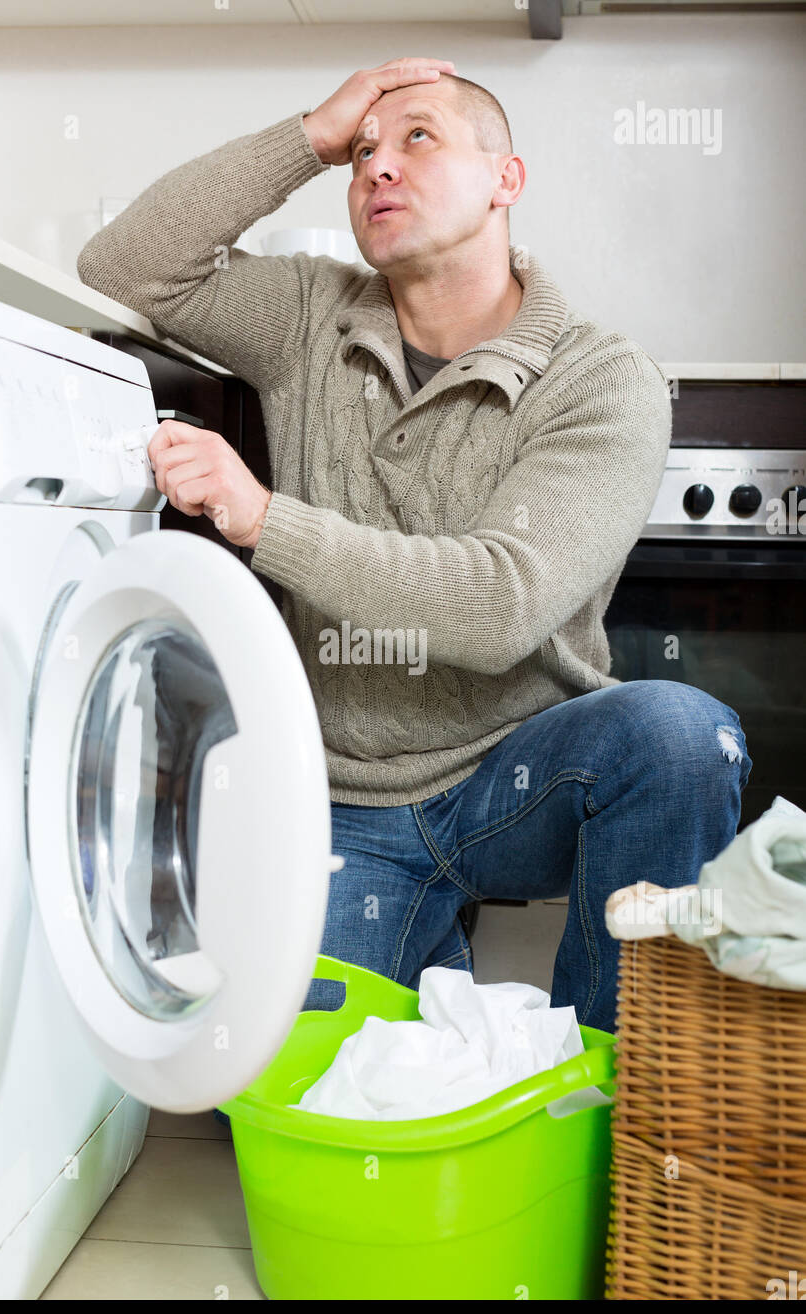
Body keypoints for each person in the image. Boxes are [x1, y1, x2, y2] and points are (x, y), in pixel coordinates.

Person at [77, 57, 752, 1032]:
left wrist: (266, 518)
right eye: (360, 156)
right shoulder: (311, 315)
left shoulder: (603, 379)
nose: (377, 168)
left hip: (519, 773)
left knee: (683, 737)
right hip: (345, 792)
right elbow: (128, 265)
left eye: (419, 139)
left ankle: (613, 1091)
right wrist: (310, 131)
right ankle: (422, 968)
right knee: (284, 1089)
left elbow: (500, 605)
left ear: (504, 179)